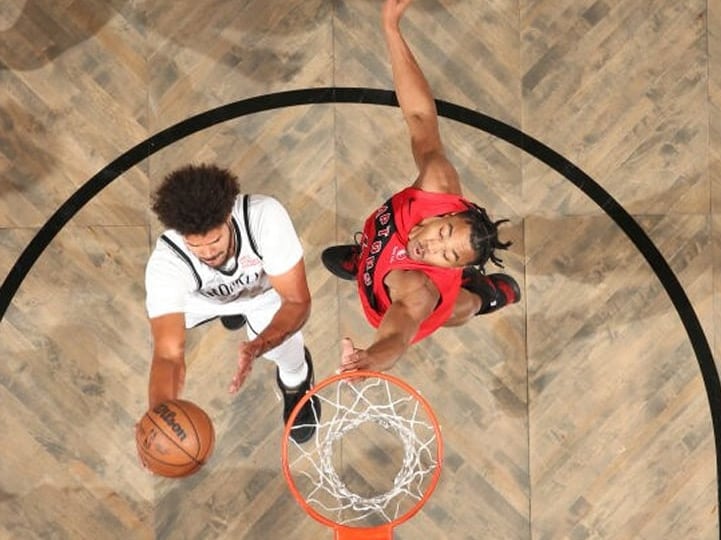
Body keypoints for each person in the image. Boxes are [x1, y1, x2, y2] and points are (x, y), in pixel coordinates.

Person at [322, 0, 521, 373]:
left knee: (453, 311)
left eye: (445, 256)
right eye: (444, 233)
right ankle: (369, 257)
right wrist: (391, 29)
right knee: (382, 254)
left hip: (407, 300)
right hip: (385, 257)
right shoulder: (437, 184)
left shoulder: (421, 291)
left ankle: (486, 294)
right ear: (443, 214)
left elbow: (395, 339)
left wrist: (369, 361)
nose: (432, 245)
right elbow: (419, 115)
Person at [143, 163, 319, 446]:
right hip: (202, 303)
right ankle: (232, 311)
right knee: (172, 330)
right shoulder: (167, 264)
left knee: (286, 354)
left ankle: (297, 381)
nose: (208, 253)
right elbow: (168, 355)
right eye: (195, 247)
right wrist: (159, 419)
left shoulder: (264, 217)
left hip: (263, 295)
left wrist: (259, 345)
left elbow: (297, 302)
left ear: (228, 216)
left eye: (214, 241)